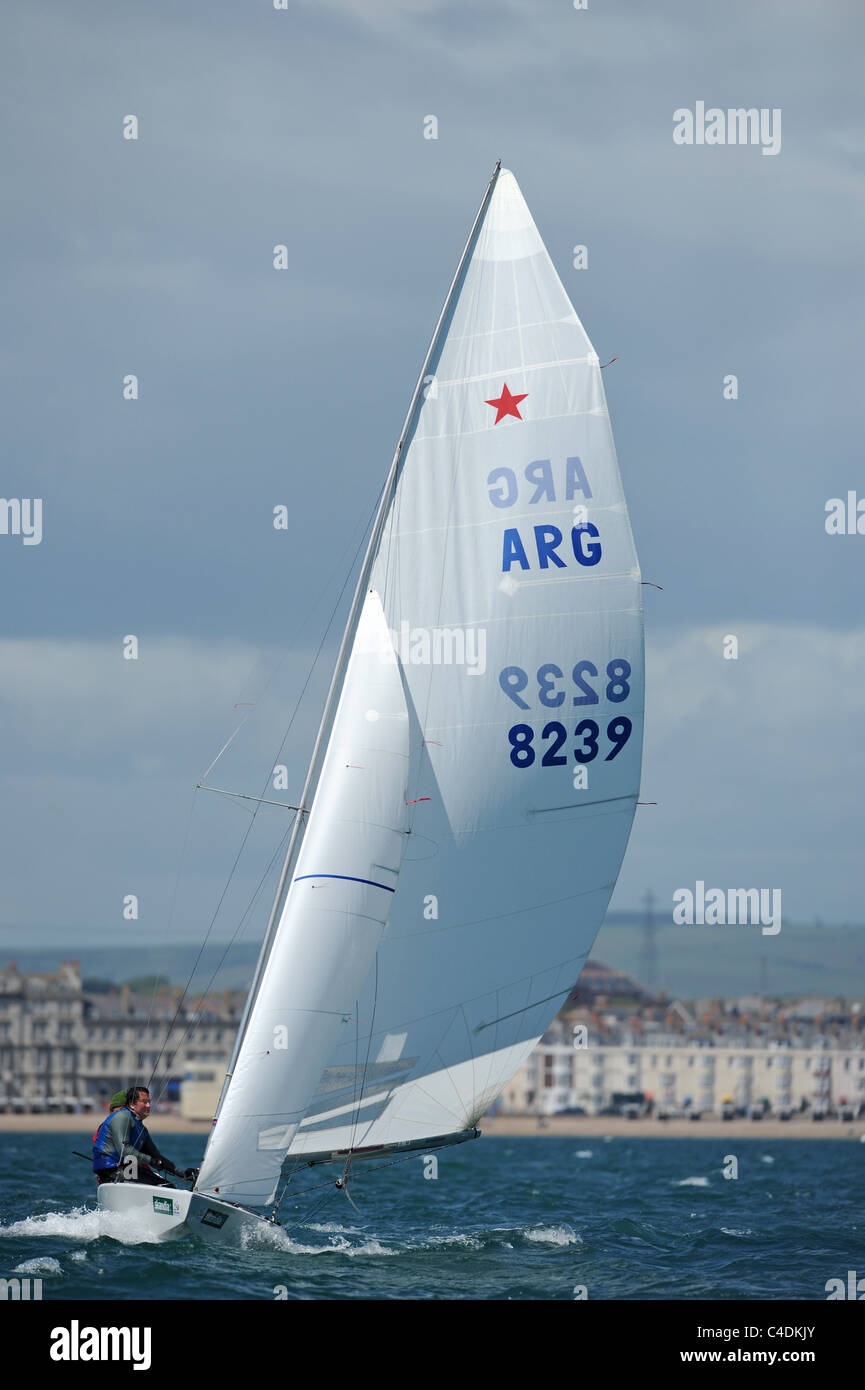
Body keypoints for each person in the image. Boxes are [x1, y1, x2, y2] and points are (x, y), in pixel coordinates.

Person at [92, 1086, 199, 1187]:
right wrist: (151, 1161)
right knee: (164, 1187)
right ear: (132, 1104)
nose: (148, 1105)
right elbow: (124, 1149)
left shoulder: (142, 1129)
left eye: (149, 1102)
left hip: (126, 1170)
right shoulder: (122, 1116)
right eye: (144, 1102)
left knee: (167, 1186)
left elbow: (158, 1158)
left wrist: (184, 1174)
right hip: (110, 1170)